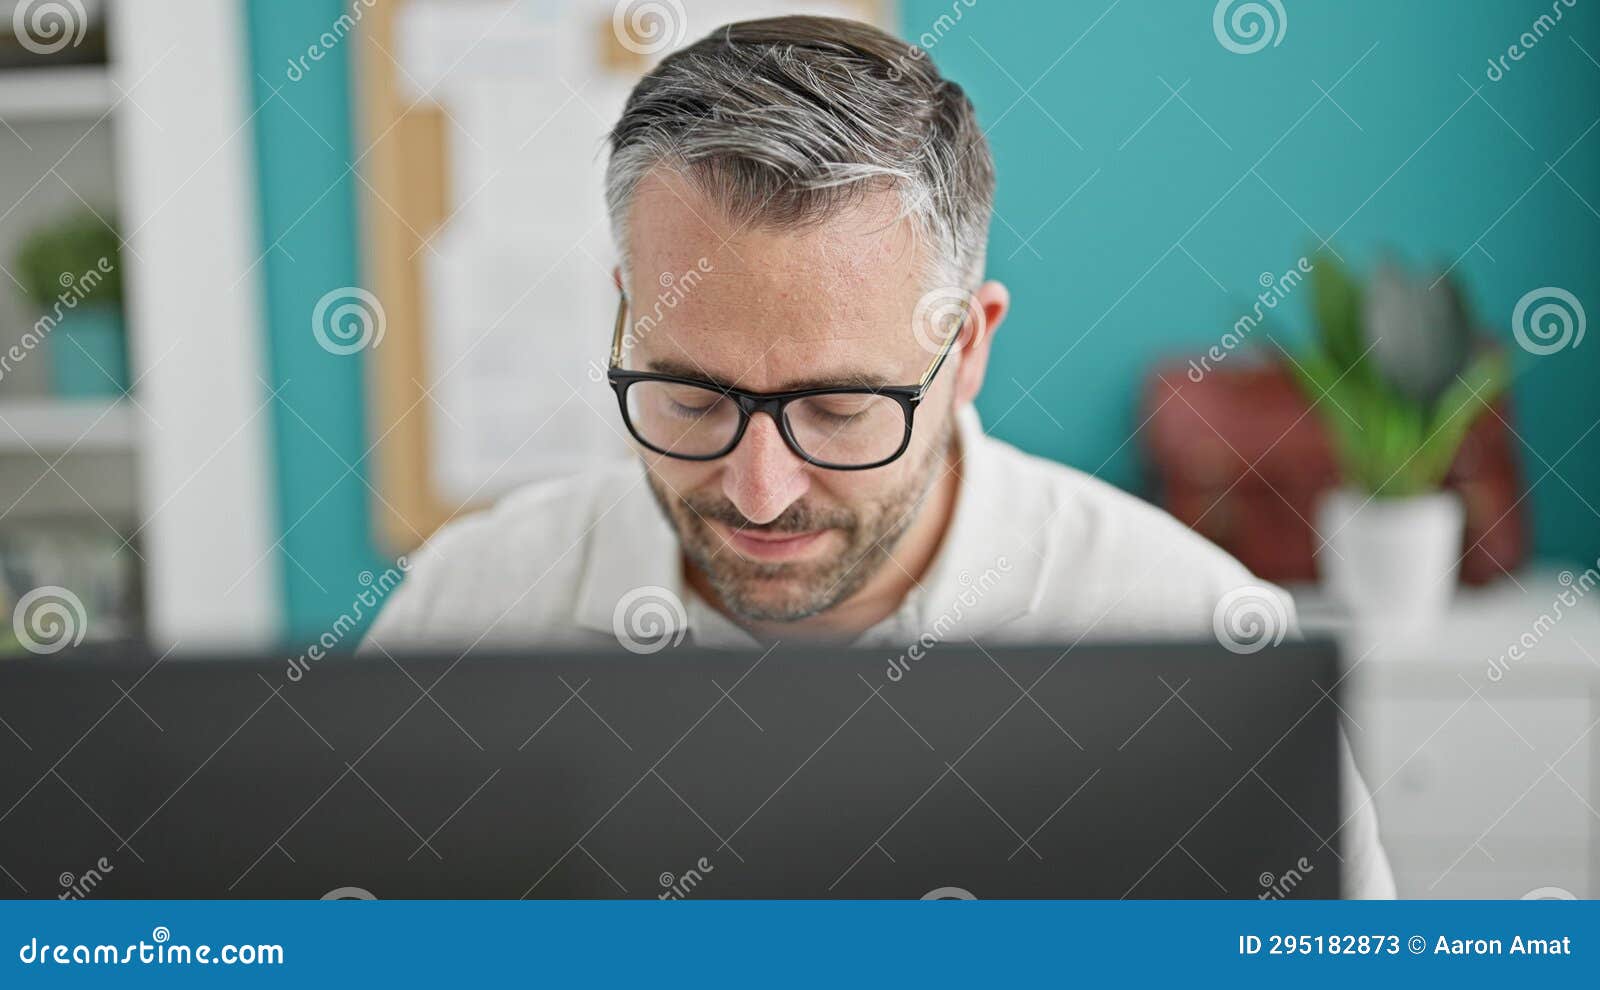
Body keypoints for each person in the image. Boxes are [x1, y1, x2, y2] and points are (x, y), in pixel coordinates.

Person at [364, 15, 1394, 898]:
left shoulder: (1201, 647)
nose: (758, 492)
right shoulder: (465, 616)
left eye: (840, 409)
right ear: (626, 324)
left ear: (969, 347)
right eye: (689, 395)